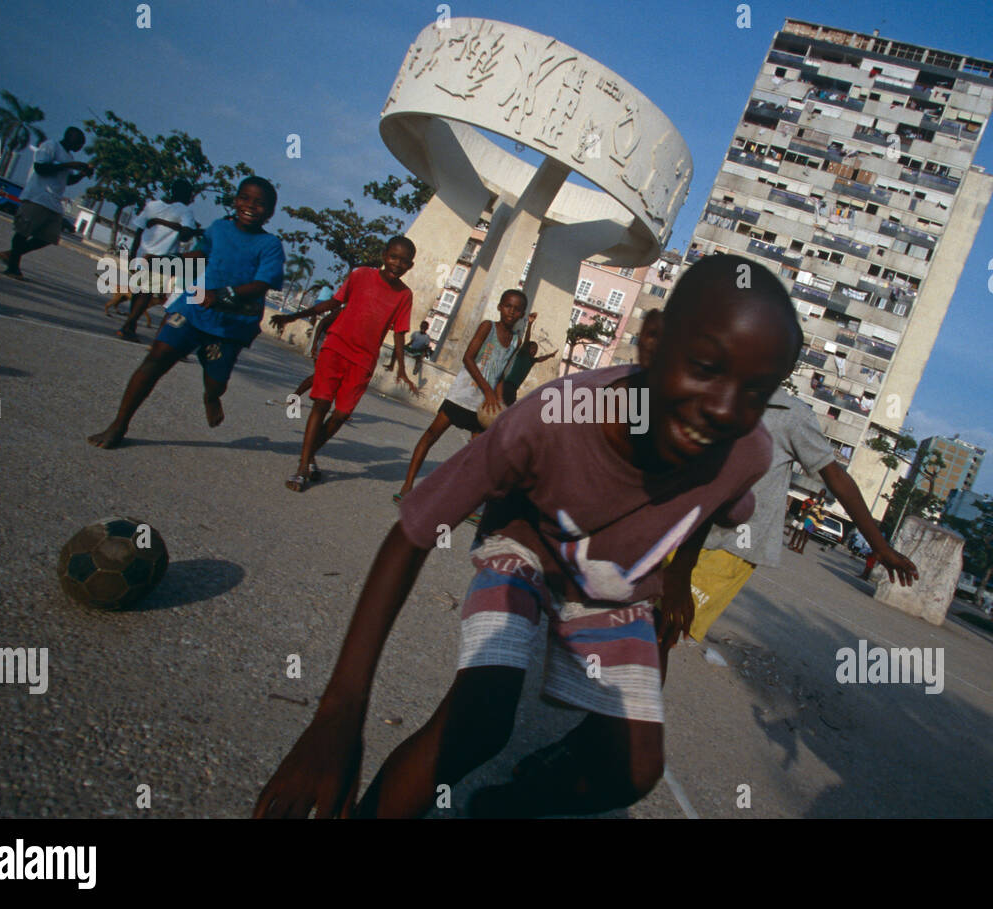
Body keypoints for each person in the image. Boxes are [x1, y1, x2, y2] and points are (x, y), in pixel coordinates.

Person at [253, 253, 802, 819]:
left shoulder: (743, 450)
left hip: (611, 575)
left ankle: (505, 803)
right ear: (654, 343)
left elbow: (714, 506)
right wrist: (339, 715)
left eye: (756, 393)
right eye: (706, 367)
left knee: (634, 771)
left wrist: (678, 581)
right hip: (527, 546)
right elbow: (414, 534)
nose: (723, 408)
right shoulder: (553, 419)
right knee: (479, 722)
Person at [677, 390, 918, 645]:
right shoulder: (708, 391)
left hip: (733, 547)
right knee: (638, 617)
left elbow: (837, 478)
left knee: (666, 627)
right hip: (681, 528)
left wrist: (879, 546)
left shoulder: (791, 414)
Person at [87, 176, 284, 449]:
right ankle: (119, 424)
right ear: (236, 200)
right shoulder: (218, 228)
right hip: (194, 308)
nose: (250, 206)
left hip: (231, 323)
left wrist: (225, 295)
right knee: (156, 358)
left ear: (270, 212)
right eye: (245, 198)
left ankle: (211, 397)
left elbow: (263, 283)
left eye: (260, 203)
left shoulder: (270, 246)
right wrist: (168, 261)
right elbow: (201, 255)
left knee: (216, 383)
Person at [269, 237, 419, 491]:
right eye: (393, 257)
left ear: (410, 266)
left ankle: (309, 454)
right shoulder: (360, 275)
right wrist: (293, 316)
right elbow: (333, 303)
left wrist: (402, 369)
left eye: (404, 261)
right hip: (336, 346)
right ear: (384, 255)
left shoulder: (405, 295)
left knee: (341, 414)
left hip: (363, 359)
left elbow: (400, 332)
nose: (397, 264)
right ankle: (303, 468)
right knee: (321, 403)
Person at [393, 289, 524, 500]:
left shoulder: (516, 341)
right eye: (508, 306)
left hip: (484, 404)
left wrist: (500, 403)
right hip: (463, 394)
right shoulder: (488, 327)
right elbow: (468, 358)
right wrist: (488, 390)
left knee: (479, 455)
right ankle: (407, 487)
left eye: (517, 309)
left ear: (522, 314)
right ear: (500, 306)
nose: (511, 312)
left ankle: (463, 502)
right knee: (431, 435)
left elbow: (500, 375)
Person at [0, 127, 93, 279]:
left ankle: (12, 254)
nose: (79, 147)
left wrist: (82, 174)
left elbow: (67, 180)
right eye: (79, 143)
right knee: (23, 232)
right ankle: (12, 267)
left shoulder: (69, 156)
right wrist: (67, 165)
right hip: (38, 196)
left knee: (48, 237)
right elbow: (40, 168)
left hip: (53, 201)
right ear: (70, 137)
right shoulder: (51, 146)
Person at [116, 179, 199, 342]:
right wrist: (176, 226)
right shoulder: (184, 211)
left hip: (142, 252)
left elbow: (139, 229)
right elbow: (186, 235)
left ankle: (130, 326)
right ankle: (127, 326)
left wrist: (133, 254)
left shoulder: (152, 205)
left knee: (139, 291)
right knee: (146, 294)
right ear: (186, 195)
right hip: (162, 257)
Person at [498, 315, 556, 405]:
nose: (535, 350)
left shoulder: (531, 361)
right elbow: (527, 339)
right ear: (528, 348)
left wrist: (550, 355)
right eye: (533, 348)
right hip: (508, 385)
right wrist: (529, 324)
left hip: (514, 388)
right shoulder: (523, 354)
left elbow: (540, 359)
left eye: (536, 349)